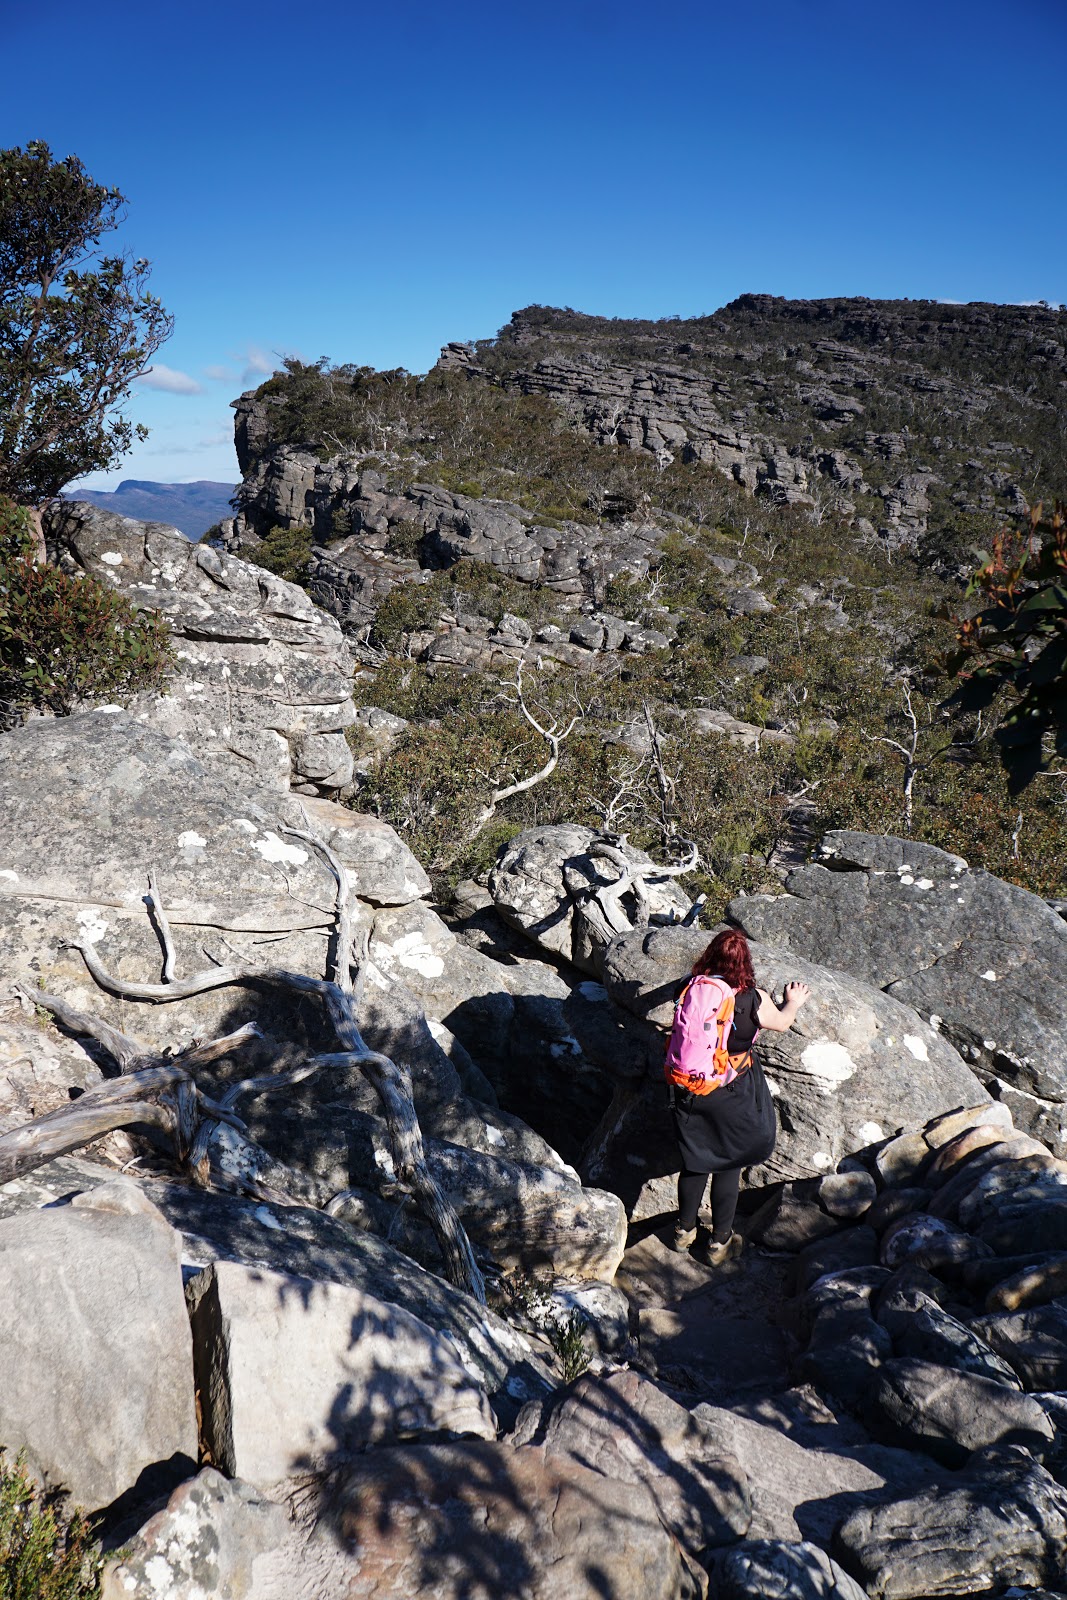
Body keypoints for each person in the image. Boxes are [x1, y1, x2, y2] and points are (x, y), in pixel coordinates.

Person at [666, 927, 811, 1265]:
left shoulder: (691, 987)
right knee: (728, 1163)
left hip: (691, 1086)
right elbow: (781, 1023)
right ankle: (719, 1244)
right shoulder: (753, 998)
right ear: (745, 963)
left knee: (696, 1161)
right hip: (732, 1087)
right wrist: (792, 1002)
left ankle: (682, 1232)